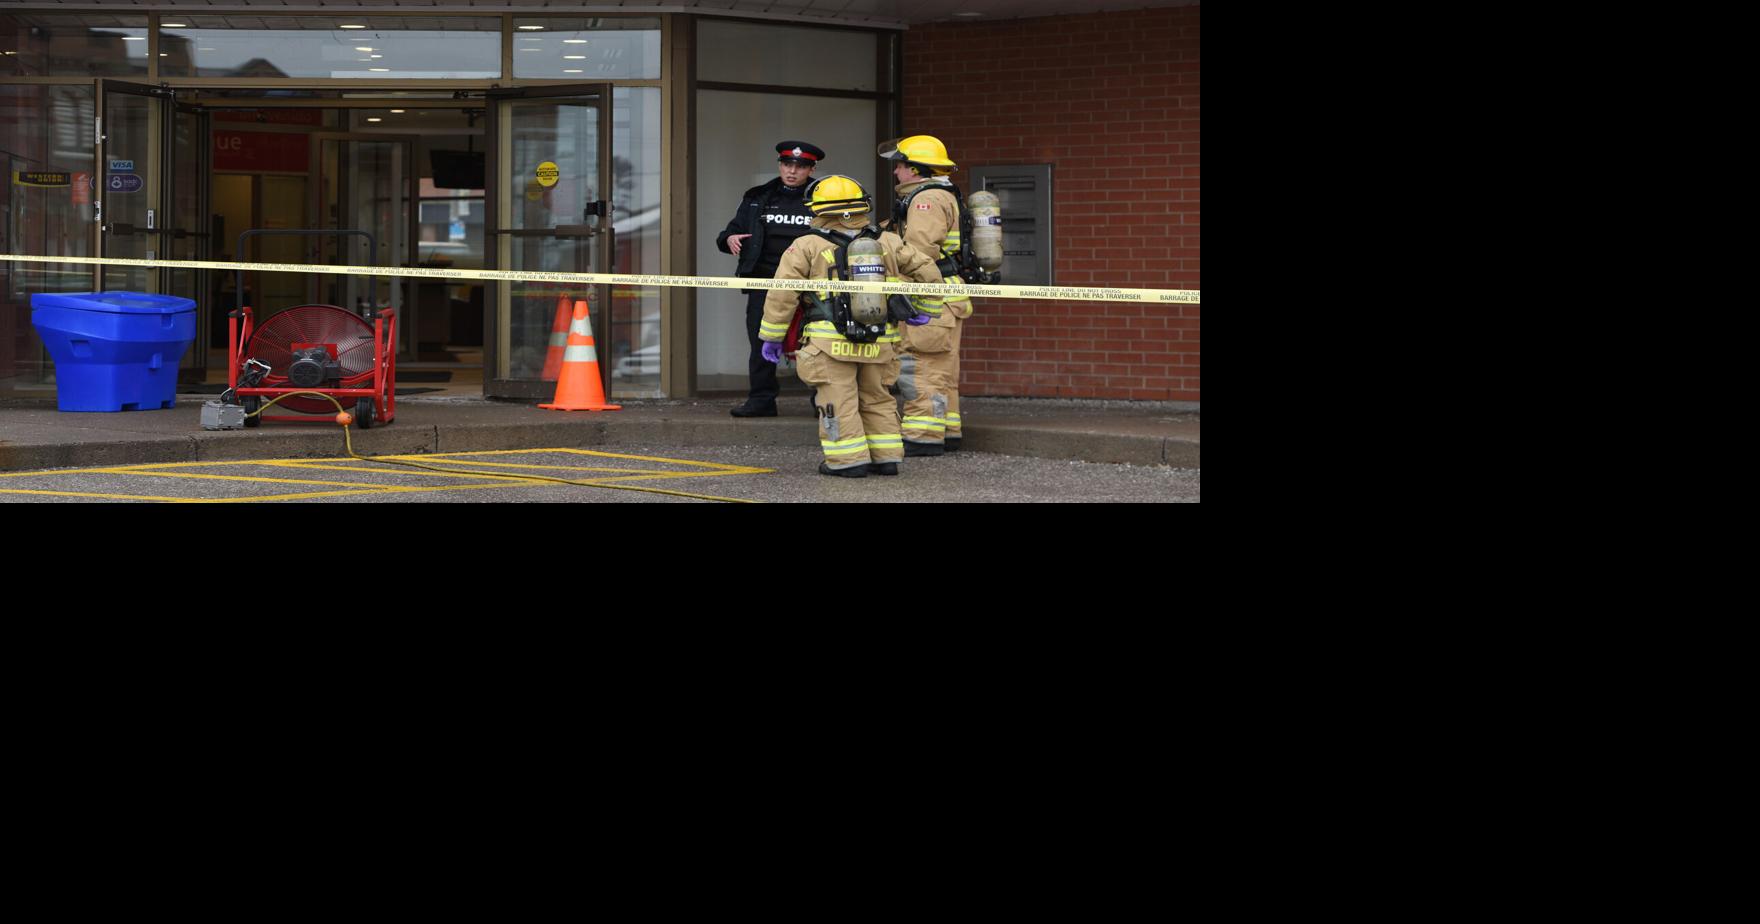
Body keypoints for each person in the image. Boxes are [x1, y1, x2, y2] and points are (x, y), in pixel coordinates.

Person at [756, 175, 944, 477]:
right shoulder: (888, 241)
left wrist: (772, 337)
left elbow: (782, 294)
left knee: (837, 399)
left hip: (829, 344)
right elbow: (929, 271)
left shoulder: (806, 245)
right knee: (878, 398)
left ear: (819, 210)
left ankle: (847, 461)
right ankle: (886, 459)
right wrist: (925, 310)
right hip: (880, 341)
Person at [716, 140, 824, 417]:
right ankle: (761, 400)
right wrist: (730, 239)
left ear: (812, 169)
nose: (792, 171)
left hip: (810, 284)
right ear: (780, 165)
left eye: (800, 167)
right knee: (761, 341)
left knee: (816, 343)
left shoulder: (824, 197)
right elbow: (729, 232)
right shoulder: (758, 196)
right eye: (787, 164)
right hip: (764, 282)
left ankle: (823, 403)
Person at [879, 135, 972, 455]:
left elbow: (918, 251)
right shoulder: (942, 194)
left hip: (928, 294)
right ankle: (947, 429)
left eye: (901, 165)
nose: (896, 172)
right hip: (947, 295)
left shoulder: (926, 199)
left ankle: (923, 435)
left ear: (916, 170)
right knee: (943, 368)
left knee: (919, 364)